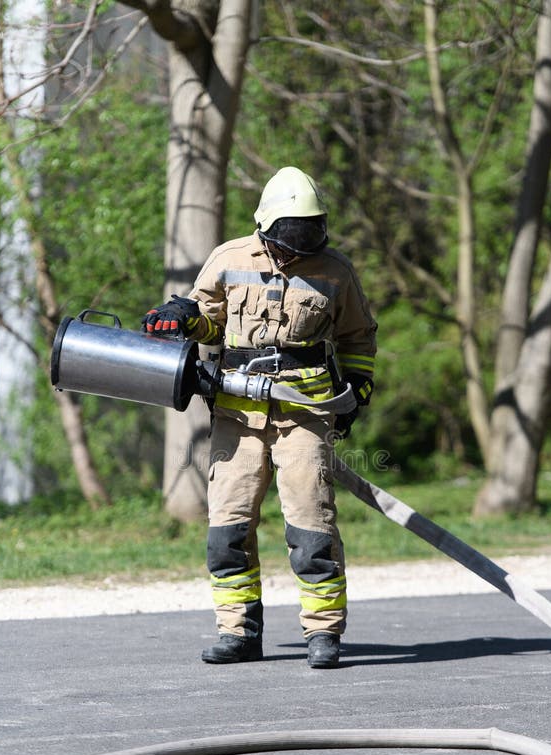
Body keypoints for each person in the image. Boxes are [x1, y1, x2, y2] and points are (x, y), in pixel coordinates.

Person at [143, 167, 377, 668]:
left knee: (312, 524)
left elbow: (358, 337)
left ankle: (323, 634)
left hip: (306, 415)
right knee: (227, 526)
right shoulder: (228, 259)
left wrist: (357, 389)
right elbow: (209, 325)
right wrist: (182, 318)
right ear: (266, 226)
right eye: (289, 238)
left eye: (308, 235)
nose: (297, 248)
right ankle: (238, 631)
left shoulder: (335, 270)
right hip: (237, 416)